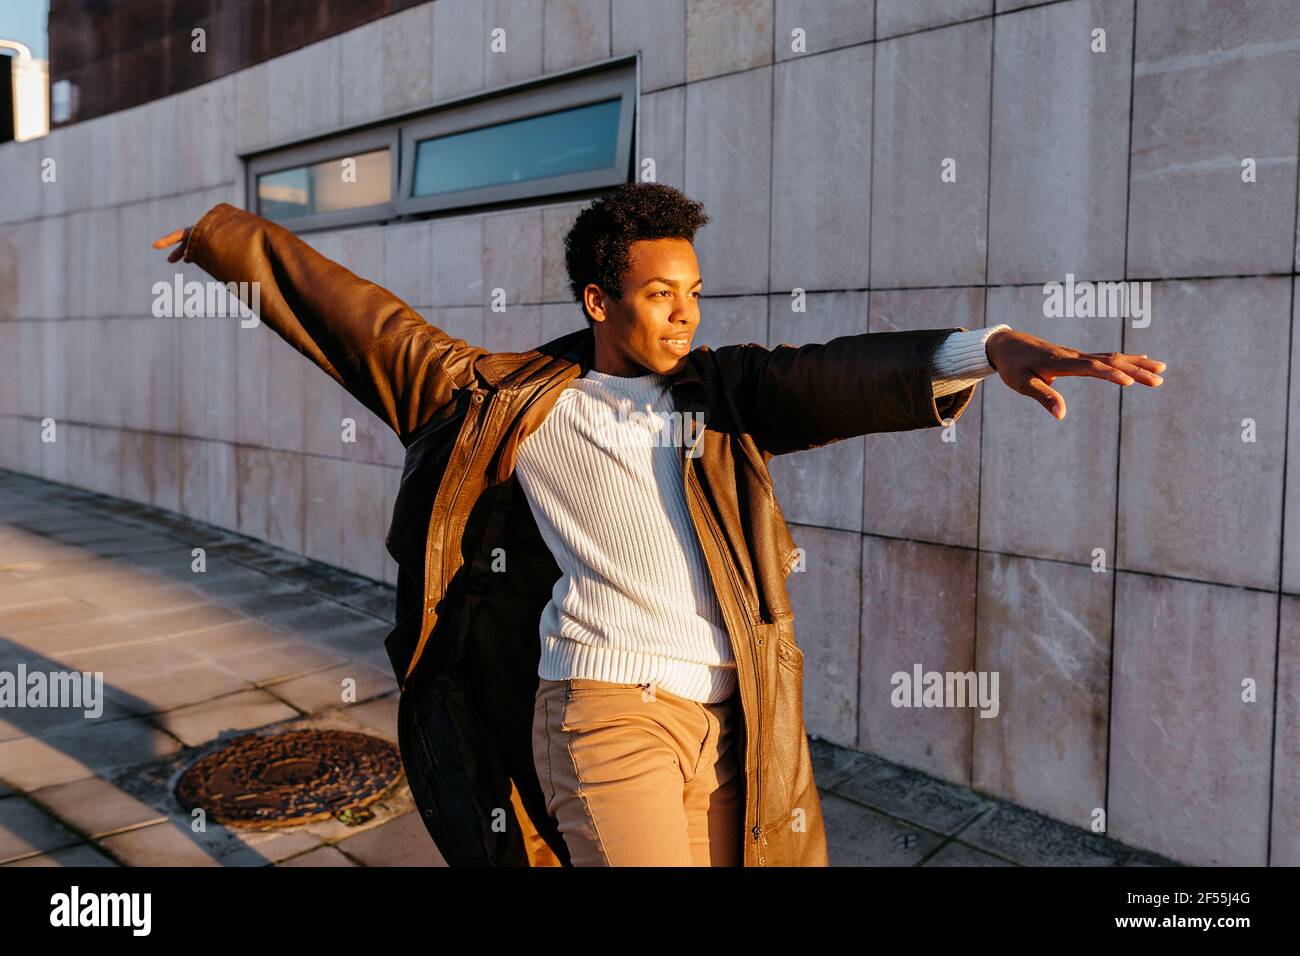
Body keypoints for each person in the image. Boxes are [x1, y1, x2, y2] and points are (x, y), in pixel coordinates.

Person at [153, 182, 1164, 867]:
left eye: (692, 292)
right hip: (605, 711)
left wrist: (982, 350)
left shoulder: (724, 393)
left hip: (734, 721)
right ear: (599, 298)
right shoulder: (512, 399)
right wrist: (222, 238)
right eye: (657, 294)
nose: (684, 314)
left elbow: (836, 375)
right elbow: (355, 321)